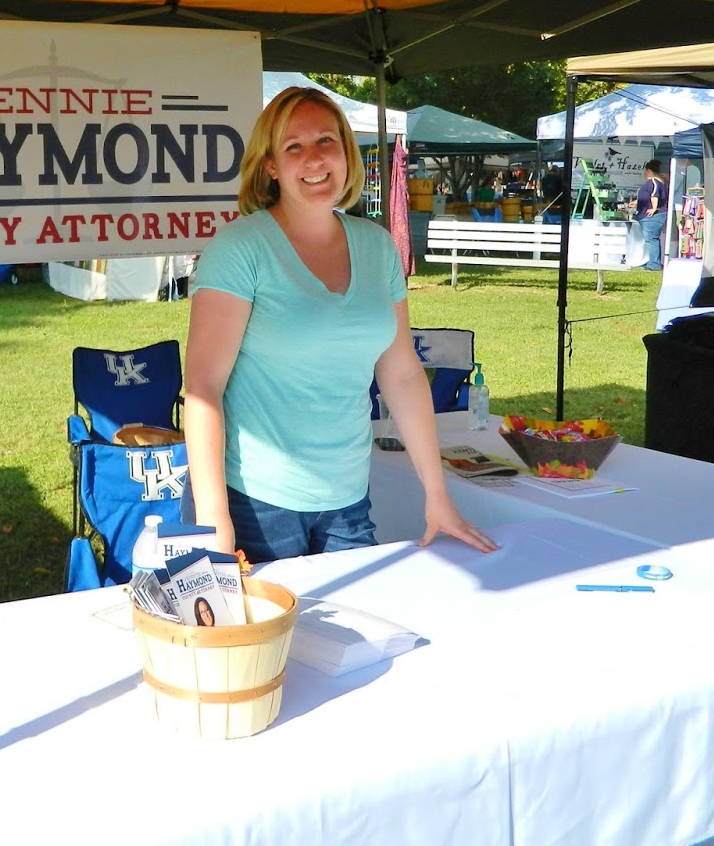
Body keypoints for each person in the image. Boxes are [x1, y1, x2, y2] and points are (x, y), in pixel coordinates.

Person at [183, 86, 498, 563]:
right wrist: (214, 522)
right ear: (270, 166)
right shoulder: (240, 249)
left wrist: (437, 494)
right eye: (293, 146)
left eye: (326, 141)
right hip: (251, 502)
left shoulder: (377, 246)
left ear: (347, 153)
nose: (314, 158)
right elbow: (203, 389)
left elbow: (401, 372)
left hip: (347, 499)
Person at [633, 159, 668, 271]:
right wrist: (636, 202)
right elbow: (647, 196)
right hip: (648, 215)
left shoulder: (654, 182)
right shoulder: (659, 182)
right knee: (651, 239)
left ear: (648, 170)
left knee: (652, 239)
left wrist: (653, 208)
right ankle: (652, 261)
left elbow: (654, 195)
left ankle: (654, 264)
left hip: (652, 216)